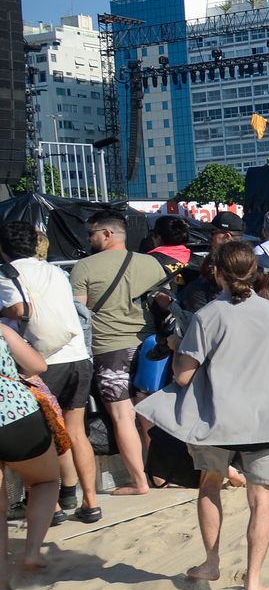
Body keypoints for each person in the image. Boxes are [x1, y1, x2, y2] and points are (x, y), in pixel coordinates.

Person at [136, 242, 269, 590]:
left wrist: (177, 347)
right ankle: (253, 581)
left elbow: (184, 377)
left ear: (216, 272)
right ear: (254, 274)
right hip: (267, 420)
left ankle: (212, 561)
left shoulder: (208, 316)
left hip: (216, 419)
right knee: (261, 498)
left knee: (210, 486)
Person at [0, 223, 99, 523]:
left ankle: (52, 507)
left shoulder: (7, 274)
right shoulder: (56, 271)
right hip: (78, 356)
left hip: (43, 361)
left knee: (44, 436)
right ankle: (90, 503)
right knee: (76, 431)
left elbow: (19, 309)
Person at [69, 211, 167, 495]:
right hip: (150, 347)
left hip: (109, 349)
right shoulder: (151, 263)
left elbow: (79, 315)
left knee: (123, 416)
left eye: (91, 233)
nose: (89, 239)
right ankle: (159, 474)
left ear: (108, 234)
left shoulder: (84, 267)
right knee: (152, 411)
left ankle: (139, 482)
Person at [0, 321, 57, 590]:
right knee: (45, 481)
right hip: (16, 415)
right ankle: (32, 551)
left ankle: (1, 572)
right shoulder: (1, 329)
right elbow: (38, 366)